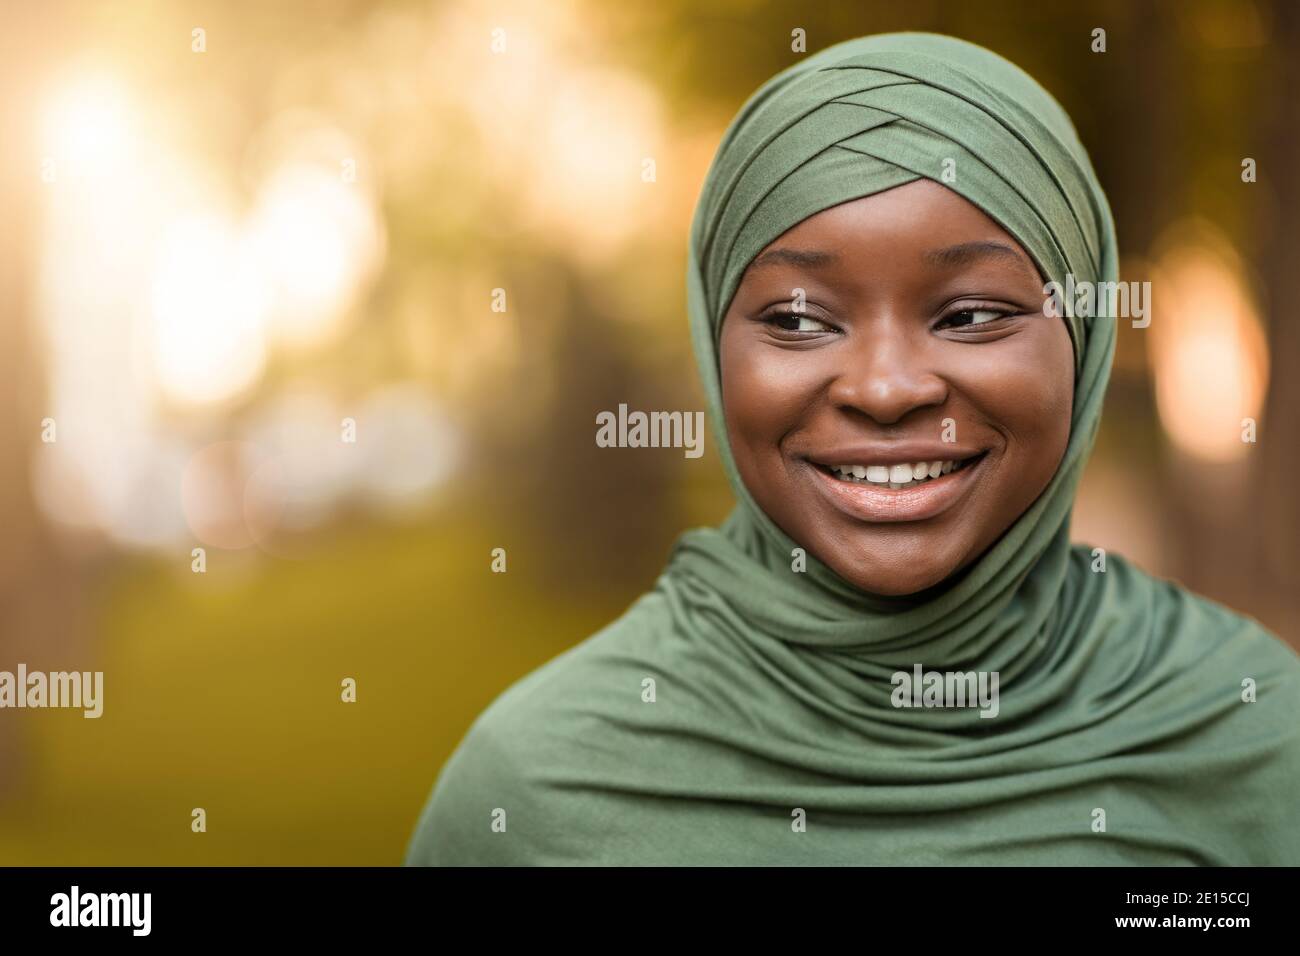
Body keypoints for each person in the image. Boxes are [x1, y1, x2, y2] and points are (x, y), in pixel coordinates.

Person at [405, 32, 1300, 865]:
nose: (883, 388)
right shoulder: (535, 796)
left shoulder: (1255, 736)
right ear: (715, 350)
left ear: (1087, 343)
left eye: (973, 314)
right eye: (797, 319)